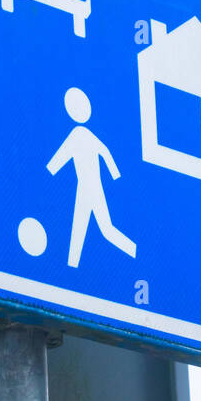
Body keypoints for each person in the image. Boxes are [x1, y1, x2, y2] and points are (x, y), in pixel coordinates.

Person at [47, 87, 136, 267]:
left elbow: (102, 151)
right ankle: (71, 266)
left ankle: (133, 251)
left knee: (106, 229)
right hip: (85, 187)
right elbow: (102, 152)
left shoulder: (80, 134)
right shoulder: (81, 134)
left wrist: (51, 170)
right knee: (79, 227)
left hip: (93, 187)